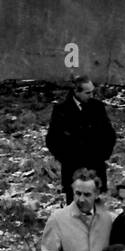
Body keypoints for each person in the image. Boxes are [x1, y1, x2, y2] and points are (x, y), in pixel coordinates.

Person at [46, 74, 116, 203]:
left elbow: (109, 134)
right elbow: (52, 139)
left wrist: (103, 155)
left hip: (95, 166)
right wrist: (65, 158)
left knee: (96, 209)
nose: (91, 96)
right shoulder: (61, 110)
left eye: (93, 92)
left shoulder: (97, 107)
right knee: (73, 209)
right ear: (76, 92)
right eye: (87, 92)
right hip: (72, 168)